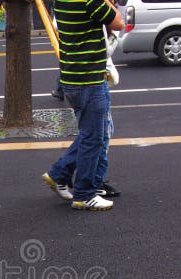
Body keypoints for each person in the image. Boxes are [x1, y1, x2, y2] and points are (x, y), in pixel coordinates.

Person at [41, 0, 123, 211]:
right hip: (89, 80)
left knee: (92, 134)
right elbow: (119, 23)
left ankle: (59, 174)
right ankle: (85, 194)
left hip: (72, 78)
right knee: (94, 137)